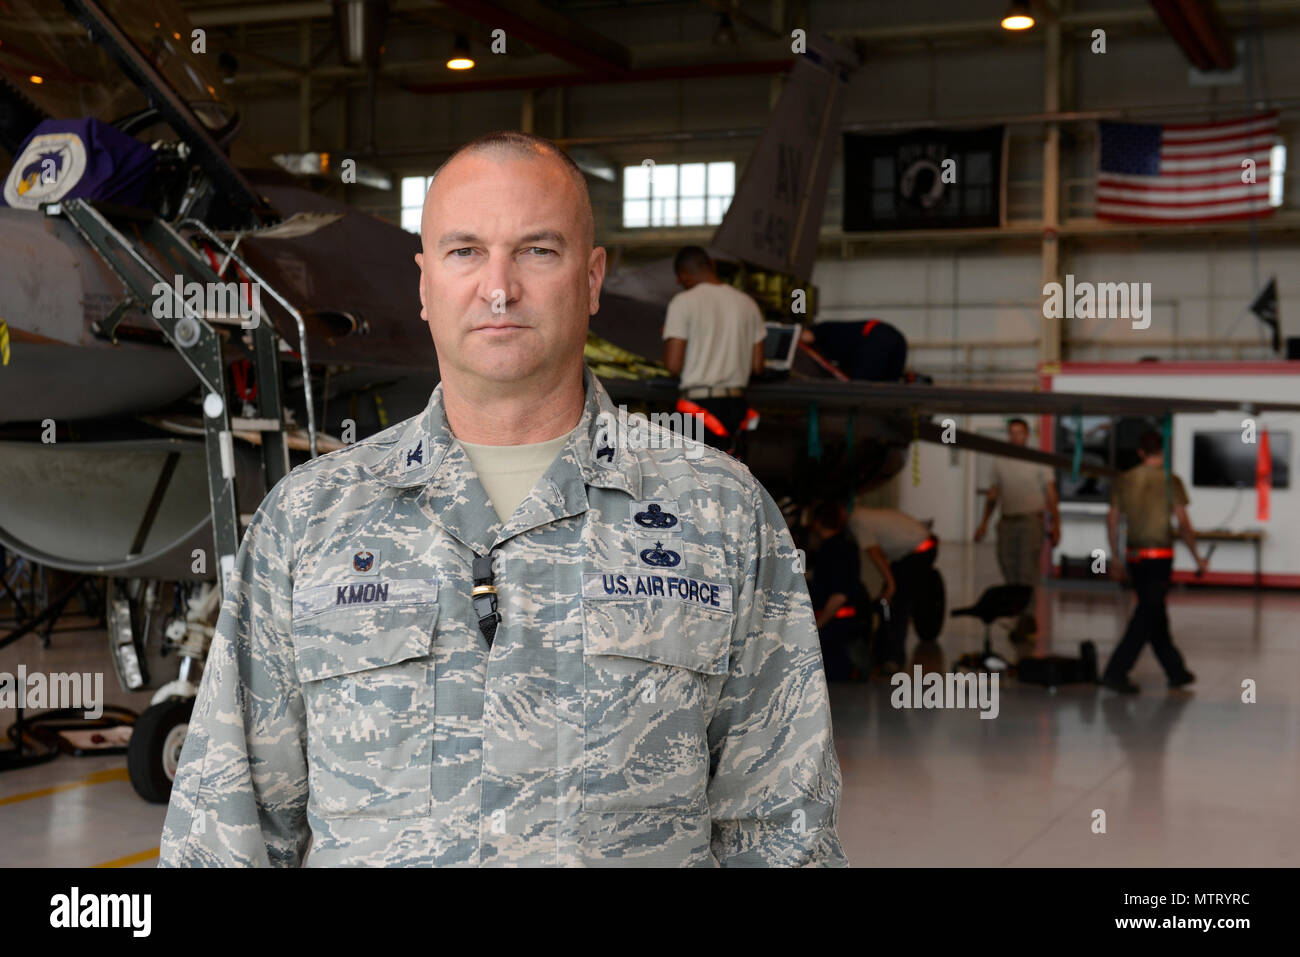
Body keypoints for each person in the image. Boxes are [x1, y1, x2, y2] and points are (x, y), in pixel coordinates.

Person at [158, 131, 845, 867]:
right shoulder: (307, 521)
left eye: (537, 250)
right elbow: (227, 832)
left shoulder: (722, 516)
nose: (498, 287)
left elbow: (782, 833)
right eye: (465, 251)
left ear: (591, 278)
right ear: (423, 284)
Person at [1100, 429, 1205, 694]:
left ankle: (1176, 671)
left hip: (1135, 557)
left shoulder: (1124, 479)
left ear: (1140, 453)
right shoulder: (1172, 481)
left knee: (1154, 611)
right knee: (1147, 613)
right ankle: (1115, 672)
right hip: (1160, 558)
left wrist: (1114, 557)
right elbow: (1183, 524)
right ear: (1162, 453)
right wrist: (1197, 558)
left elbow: (1112, 520)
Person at [662, 246, 766, 453]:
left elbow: (673, 365)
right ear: (712, 266)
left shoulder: (683, 302)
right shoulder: (748, 304)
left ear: (683, 275)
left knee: (692, 481)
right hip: (736, 408)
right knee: (736, 480)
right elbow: (758, 367)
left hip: (697, 410)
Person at [973, 418, 1060, 643]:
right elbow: (994, 493)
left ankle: (1027, 617)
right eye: (1012, 433)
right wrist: (983, 523)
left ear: (1027, 435)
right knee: (1007, 565)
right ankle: (1017, 610)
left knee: (1027, 570)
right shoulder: (1000, 460)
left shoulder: (1038, 460)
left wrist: (1056, 525)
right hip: (1007, 521)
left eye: (1020, 433)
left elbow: (1051, 494)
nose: (1015, 437)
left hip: (1031, 521)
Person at [847, 505, 935, 672]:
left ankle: (893, 659)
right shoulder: (861, 514)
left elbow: (875, 553)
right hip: (913, 548)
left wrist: (891, 585)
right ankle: (881, 654)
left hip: (916, 552)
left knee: (898, 605)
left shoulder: (856, 522)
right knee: (888, 603)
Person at [805, 501, 871, 682]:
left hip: (835, 630)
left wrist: (818, 625)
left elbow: (839, 596)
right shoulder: (846, 545)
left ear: (817, 522)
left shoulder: (831, 550)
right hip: (843, 624)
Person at [799, 319, 908, 382]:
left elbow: (805, 337)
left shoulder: (820, 329)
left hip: (876, 334)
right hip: (897, 339)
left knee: (860, 386)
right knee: (889, 384)